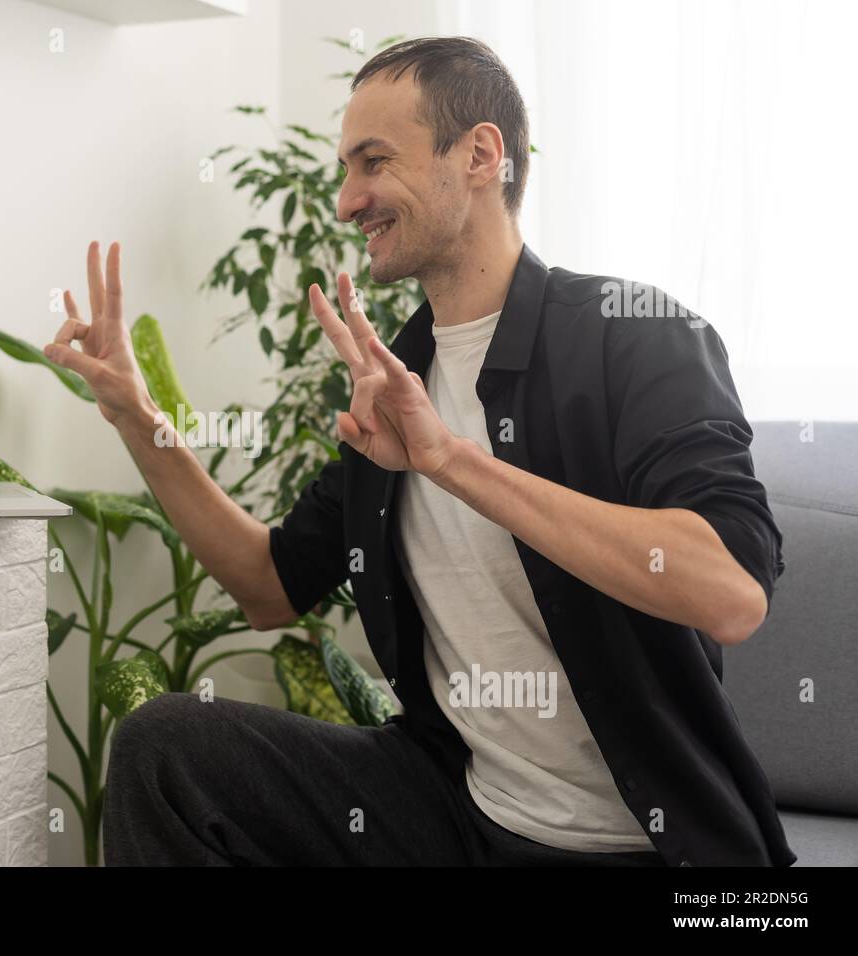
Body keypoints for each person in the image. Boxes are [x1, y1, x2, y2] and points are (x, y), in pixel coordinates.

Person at [42, 36, 793, 867]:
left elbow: (730, 592)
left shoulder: (636, 335)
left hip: (645, 849)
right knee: (168, 749)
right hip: (456, 813)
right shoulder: (397, 378)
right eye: (344, 168)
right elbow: (267, 586)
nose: (345, 201)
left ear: (479, 155)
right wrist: (136, 414)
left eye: (372, 162)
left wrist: (451, 461)